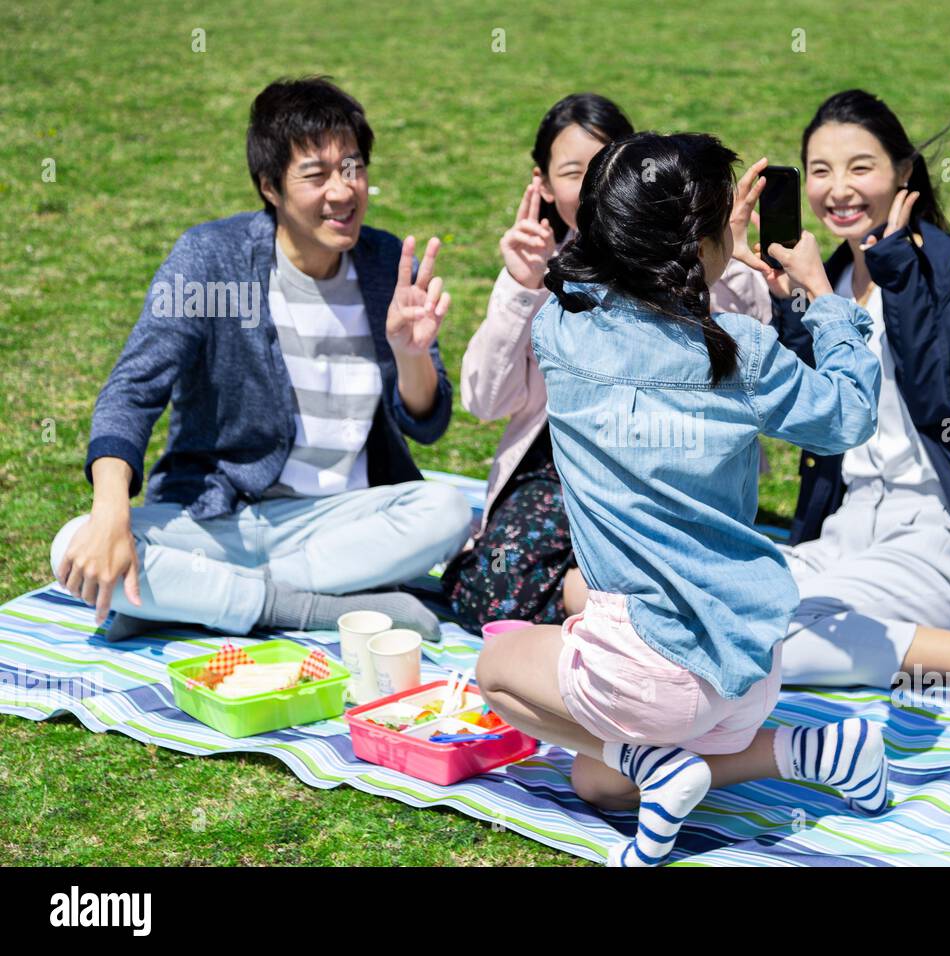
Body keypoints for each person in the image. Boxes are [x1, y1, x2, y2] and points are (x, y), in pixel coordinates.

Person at [475, 132, 889, 867]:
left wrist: (705, 248)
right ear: (699, 242)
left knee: (497, 671)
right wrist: (823, 301)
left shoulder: (559, 332)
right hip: (750, 667)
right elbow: (848, 414)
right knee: (594, 778)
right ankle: (813, 748)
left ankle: (656, 764)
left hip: (648, 682)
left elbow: (620, 303)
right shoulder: (742, 350)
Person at [49, 76, 470, 642]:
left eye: (353, 168)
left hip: (340, 522)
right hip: (221, 518)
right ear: (270, 187)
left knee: (445, 510)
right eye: (315, 175)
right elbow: (133, 388)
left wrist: (409, 353)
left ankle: (198, 598)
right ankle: (305, 608)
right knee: (70, 543)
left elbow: (427, 420)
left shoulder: (385, 262)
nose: (343, 192)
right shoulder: (211, 261)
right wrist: (109, 512)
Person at [763, 90, 950, 712]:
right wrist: (794, 304)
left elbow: (945, 399)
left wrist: (896, 270)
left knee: (776, 644)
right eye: (820, 171)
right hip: (848, 529)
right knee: (733, 613)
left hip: (937, 533)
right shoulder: (832, 279)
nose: (838, 188)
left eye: (860, 167)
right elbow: (809, 416)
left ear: (904, 173)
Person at [441, 93, 772, 632]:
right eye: (574, 171)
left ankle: (621, 600)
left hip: (672, 457)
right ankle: (633, 605)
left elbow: (746, 353)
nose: (595, 182)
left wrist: (722, 254)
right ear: (543, 185)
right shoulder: (539, 263)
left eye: (607, 162)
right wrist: (523, 289)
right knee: (494, 593)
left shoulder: (687, 253)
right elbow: (484, 402)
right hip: (564, 457)